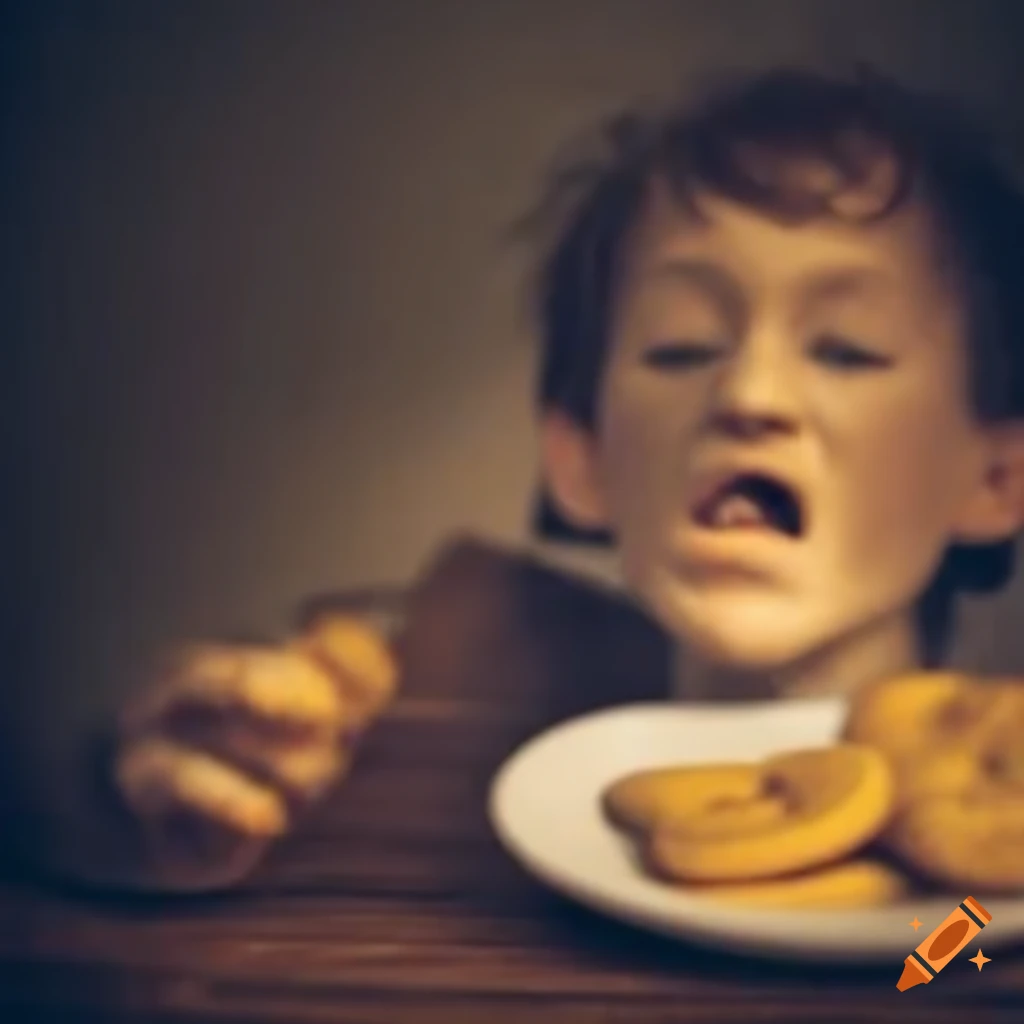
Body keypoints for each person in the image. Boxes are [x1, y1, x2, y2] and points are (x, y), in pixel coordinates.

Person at [41, 67, 1024, 891]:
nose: (750, 392)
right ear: (580, 460)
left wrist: (905, 978)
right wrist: (138, 830)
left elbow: (980, 945)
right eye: (682, 348)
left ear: (996, 475)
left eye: (846, 350)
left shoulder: (992, 827)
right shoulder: (485, 756)